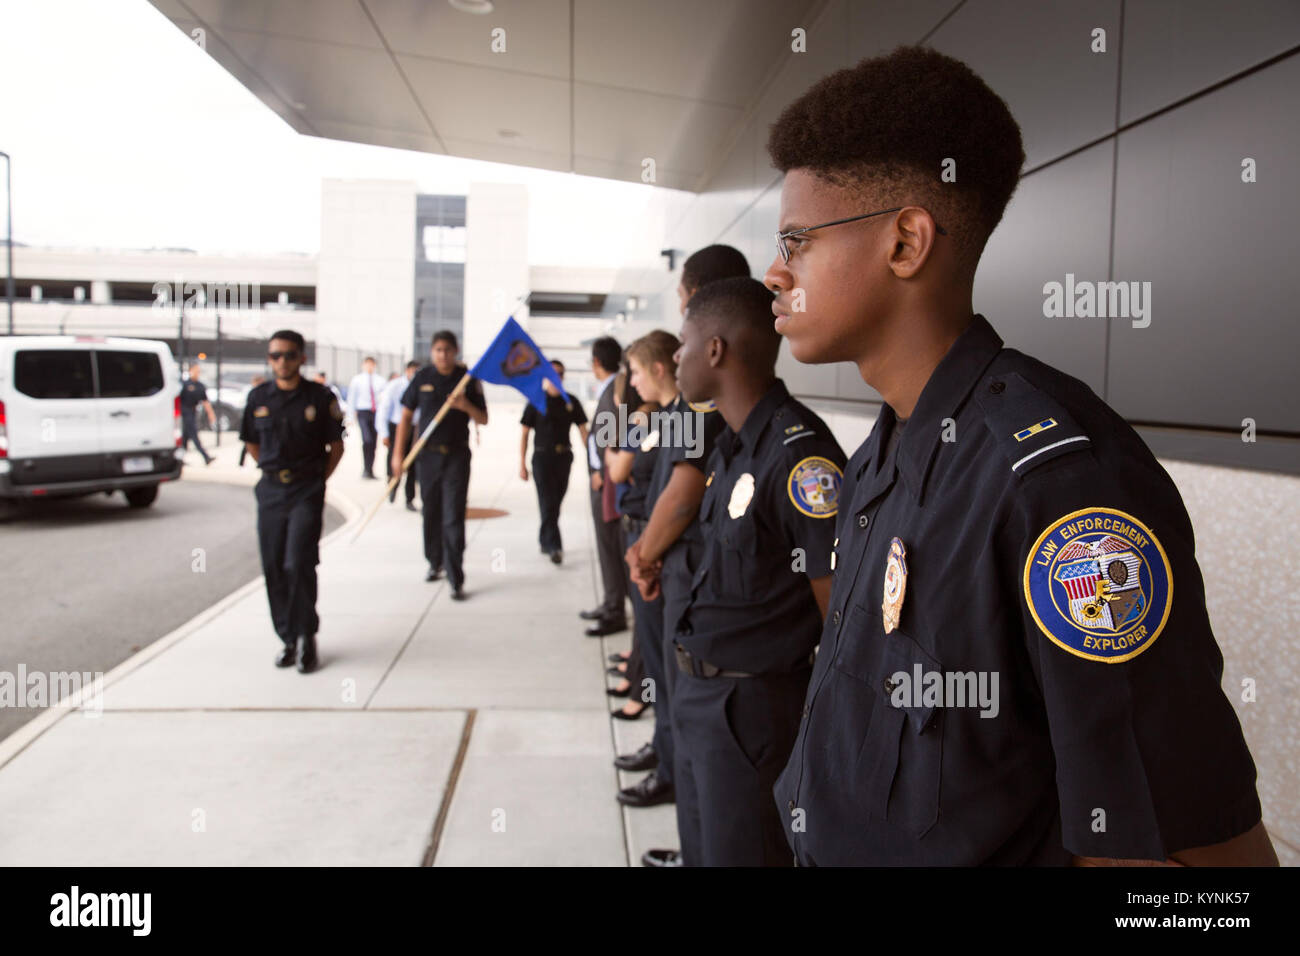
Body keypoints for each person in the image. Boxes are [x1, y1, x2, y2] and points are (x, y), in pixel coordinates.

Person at [762, 45, 1275, 866]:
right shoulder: (880, 454)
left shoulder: (1062, 488)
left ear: (905, 243)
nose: (774, 272)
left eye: (796, 241)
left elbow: (1194, 860)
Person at [656, 276, 846, 867]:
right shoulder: (733, 447)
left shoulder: (799, 457)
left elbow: (839, 615)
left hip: (749, 713)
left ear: (715, 350)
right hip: (699, 692)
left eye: (683, 341)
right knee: (704, 848)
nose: (674, 357)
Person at [238, 330, 344, 673]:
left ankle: (305, 636)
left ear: (301, 357)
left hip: (306, 491)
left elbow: (337, 447)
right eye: (275, 356)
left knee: (298, 562)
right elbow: (252, 444)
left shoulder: (320, 397)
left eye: (288, 355)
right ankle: (286, 637)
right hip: (270, 491)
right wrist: (272, 471)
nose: (281, 361)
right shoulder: (258, 398)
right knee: (273, 565)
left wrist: (317, 482)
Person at [392, 331, 488, 600]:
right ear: (432, 352)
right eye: (438, 350)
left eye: (447, 349)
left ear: (456, 350)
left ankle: (455, 576)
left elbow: (483, 418)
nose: (443, 354)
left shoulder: (467, 380)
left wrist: (464, 404)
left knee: (453, 515)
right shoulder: (422, 377)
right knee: (430, 512)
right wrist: (397, 455)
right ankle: (435, 562)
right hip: (427, 456)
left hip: (456, 457)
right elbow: (406, 416)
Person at [580, 337, 632, 637]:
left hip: (607, 480)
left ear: (596, 362)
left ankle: (615, 610)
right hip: (602, 477)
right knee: (605, 545)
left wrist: (601, 469)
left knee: (611, 545)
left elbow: (615, 434)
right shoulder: (611, 388)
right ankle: (610, 600)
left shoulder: (616, 389)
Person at [520, 359, 589, 564]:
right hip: (541, 458)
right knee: (548, 502)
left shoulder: (571, 401)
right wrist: (521, 464)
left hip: (564, 458)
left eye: (559, 373)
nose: (556, 377)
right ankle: (555, 547)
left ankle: (544, 538)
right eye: (552, 373)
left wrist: (596, 458)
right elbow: (524, 434)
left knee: (555, 503)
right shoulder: (536, 400)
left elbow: (583, 431)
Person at [379, 362, 421, 511]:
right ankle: (392, 487)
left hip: (415, 428)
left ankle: (409, 499)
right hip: (396, 427)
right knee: (394, 459)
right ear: (407, 370)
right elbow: (384, 409)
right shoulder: (395, 385)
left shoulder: (421, 385)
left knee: (412, 463)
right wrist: (384, 432)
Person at [347, 357, 385, 480]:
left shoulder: (380, 381)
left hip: (376, 413)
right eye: (367, 364)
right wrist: (350, 416)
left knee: (373, 442)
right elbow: (352, 399)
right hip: (363, 412)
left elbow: (384, 399)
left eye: (372, 364)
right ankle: (365, 468)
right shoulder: (357, 380)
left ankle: (370, 469)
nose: (369, 367)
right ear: (363, 365)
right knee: (367, 439)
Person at [180, 363, 216, 465]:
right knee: (193, 435)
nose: (197, 373)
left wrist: (211, 414)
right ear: (190, 371)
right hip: (185, 412)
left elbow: (205, 401)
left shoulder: (200, 386)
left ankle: (179, 459)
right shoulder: (184, 384)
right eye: (195, 370)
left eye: (198, 371)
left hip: (192, 411)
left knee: (185, 438)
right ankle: (206, 456)